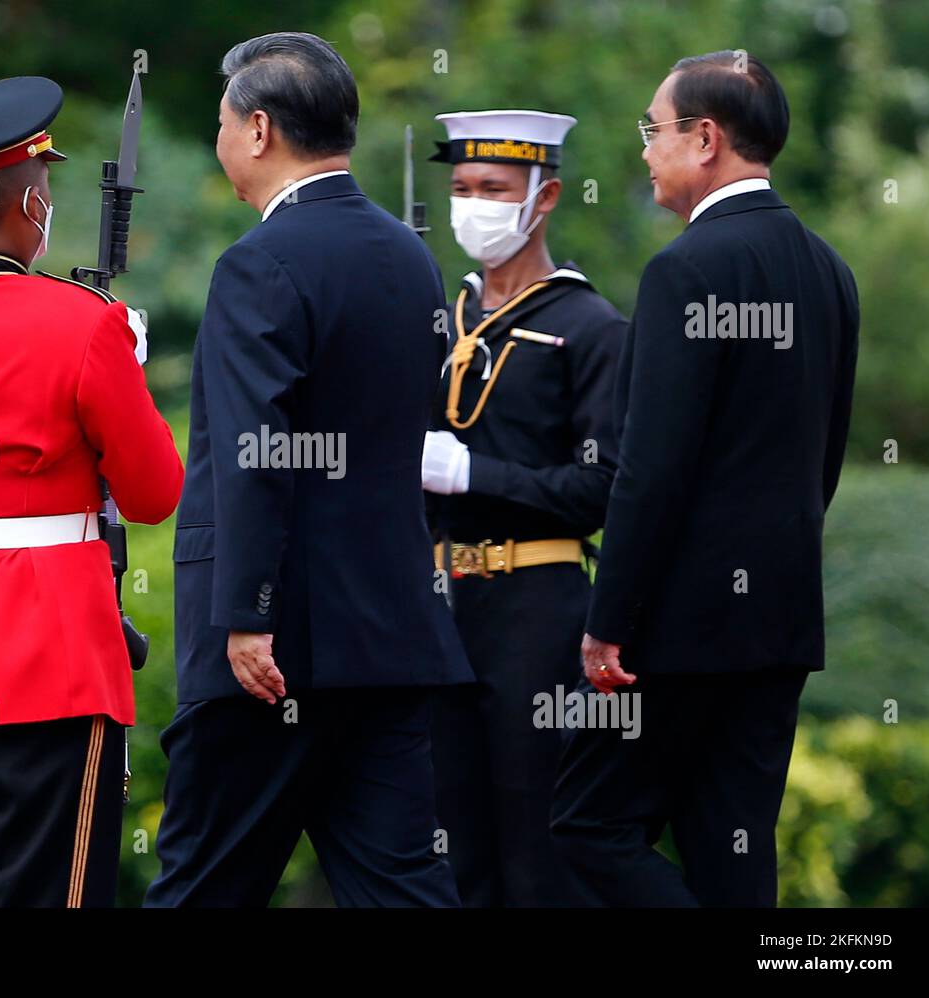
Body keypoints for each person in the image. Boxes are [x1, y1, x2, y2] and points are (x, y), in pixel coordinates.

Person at [145, 32, 471, 908]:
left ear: (258, 130)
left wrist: (247, 613)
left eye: (220, 122)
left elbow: (258, 450)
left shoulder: (260, 262)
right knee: (403, 887)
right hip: (390, 633)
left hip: (276, 645)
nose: (218, 141)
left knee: (202, 883)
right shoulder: (412, 256)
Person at [551, 51, 859, 906]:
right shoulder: (831, 271)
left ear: (706, 139)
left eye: (655, 131)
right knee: (733, 850)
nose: (645, 150)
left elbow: (652, 467)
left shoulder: (685, 269)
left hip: (676, 631)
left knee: (588, 824)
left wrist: (609, 619)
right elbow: (822, 459)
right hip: (781, 622)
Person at [0, 76, 183, 908]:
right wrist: (121, 358)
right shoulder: (83, 324)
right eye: (45, 187)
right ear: (27, 206)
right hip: (51, 659)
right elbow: (155, 490)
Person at [422, 110, 626, 906]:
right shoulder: (442, 318)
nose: (473, 206)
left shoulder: (590, 328)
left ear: (543, 200)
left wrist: (477, 475)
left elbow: (604, 488)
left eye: (494, 190)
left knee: (537, 845)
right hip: (441, 605)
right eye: (463, 189)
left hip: (535, 612)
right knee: (448, 841)